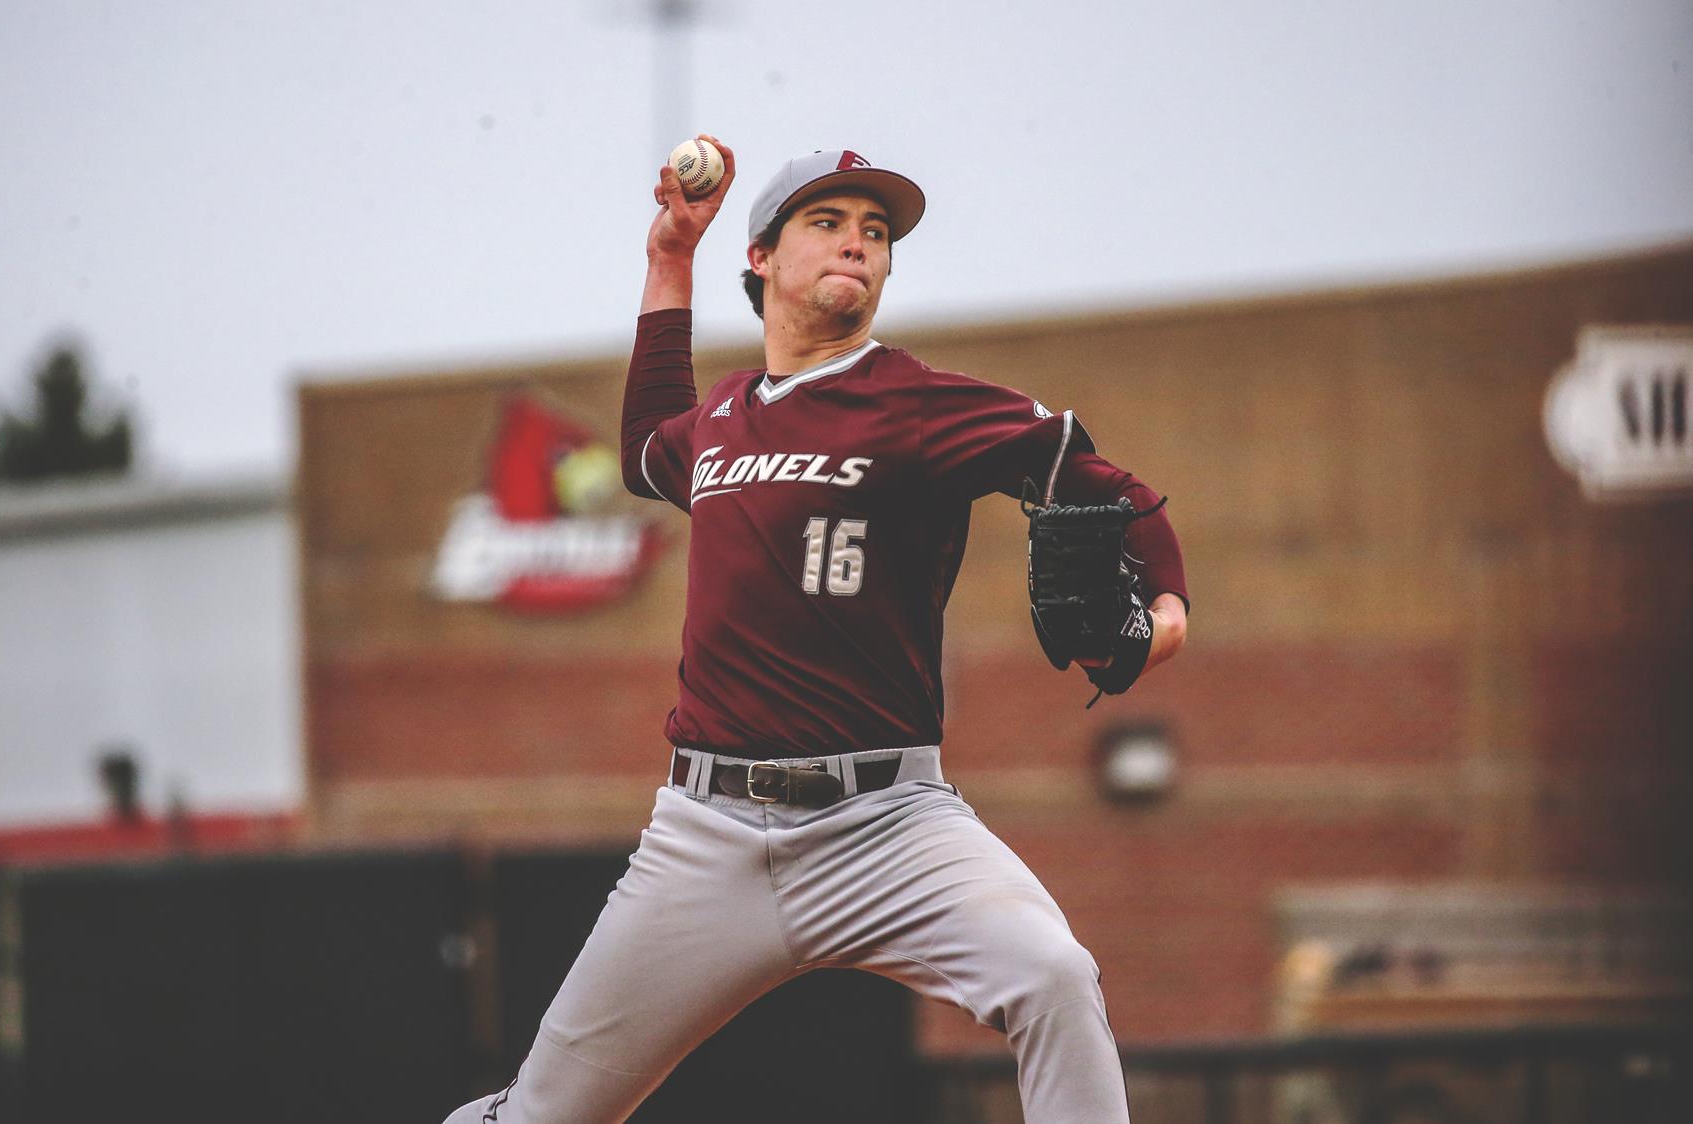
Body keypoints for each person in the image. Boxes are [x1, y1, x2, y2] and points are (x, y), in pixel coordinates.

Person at [443, 140, 1188, 1123]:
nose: (859, 244)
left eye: (875, 232)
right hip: (705, 833)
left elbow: (1111, 490)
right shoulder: (718, 420)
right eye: (827, 222)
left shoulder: (916, 401)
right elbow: (639, 450)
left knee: (1051, 972)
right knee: (541, 1113)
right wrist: (669, 257)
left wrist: (1167, 610)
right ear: (759, 257)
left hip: (887, 821)